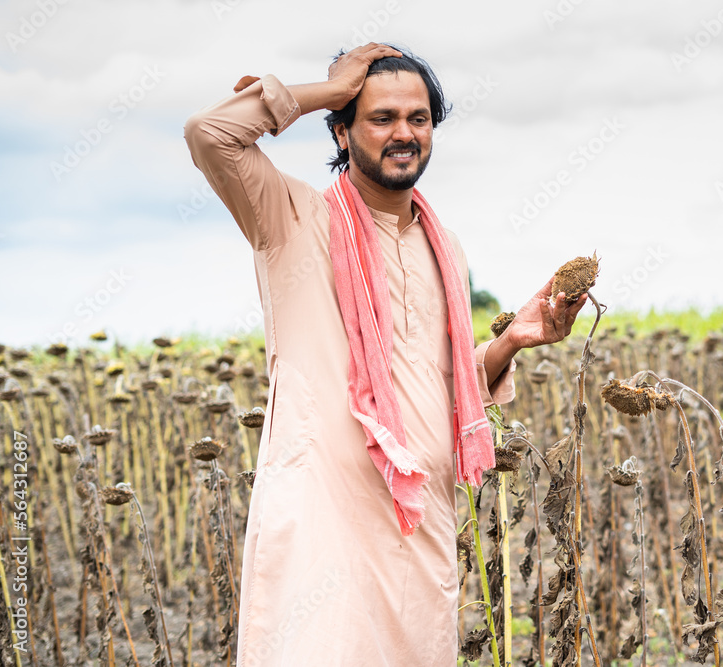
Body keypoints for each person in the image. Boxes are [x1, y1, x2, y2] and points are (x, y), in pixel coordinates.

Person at [184, 42, 587, 666]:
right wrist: (331, 87)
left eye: (418, 119)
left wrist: (510, 342)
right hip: (325, 522)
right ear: (342, 131)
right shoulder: (290, 216)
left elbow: (437, 389)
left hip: (418, 525)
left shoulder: (443, 244)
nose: (404, 133)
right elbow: (210, 134)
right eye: (381, 117)